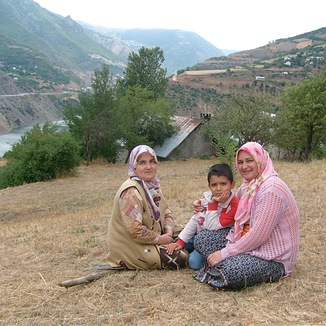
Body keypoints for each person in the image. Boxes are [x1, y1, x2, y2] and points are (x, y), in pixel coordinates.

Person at [193, 142, 300, 290]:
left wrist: (225, 253)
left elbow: (258, 236)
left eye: (250, 160)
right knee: (202, 239)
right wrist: (208, 205)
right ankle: (223, 264)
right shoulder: (247, 187)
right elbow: (232, 218)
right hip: (246, 244)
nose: (244, 166)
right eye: (240, 162)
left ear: (260, 160)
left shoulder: (271, 189)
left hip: (271, 257)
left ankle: (221, 266)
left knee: (230, 271)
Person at [106, 145, 188, 270]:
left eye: (152, 162)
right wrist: (161, 239)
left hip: (155, 235)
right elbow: (135, 230)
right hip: (131, 245)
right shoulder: (131, 192)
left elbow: (166, 212)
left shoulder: (153, 186)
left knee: (190, 235)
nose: (149, 167)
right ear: (134, 166)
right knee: (180, 258)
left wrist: (169, 233)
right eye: (142, 163)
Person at [166, 163, 239, 270]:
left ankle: (199, 255)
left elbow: (211, 227)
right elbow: (196, 219)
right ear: (209, 186)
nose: (218, 189)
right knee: (178, 244)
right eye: (214, 185)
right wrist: (180, 242)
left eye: (223, 184)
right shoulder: (207, 198)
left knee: (193, 263)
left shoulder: (234, 205)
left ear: (232, 185)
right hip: (198, 234)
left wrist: (213, 204)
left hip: (213, 241)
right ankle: (183, 248)